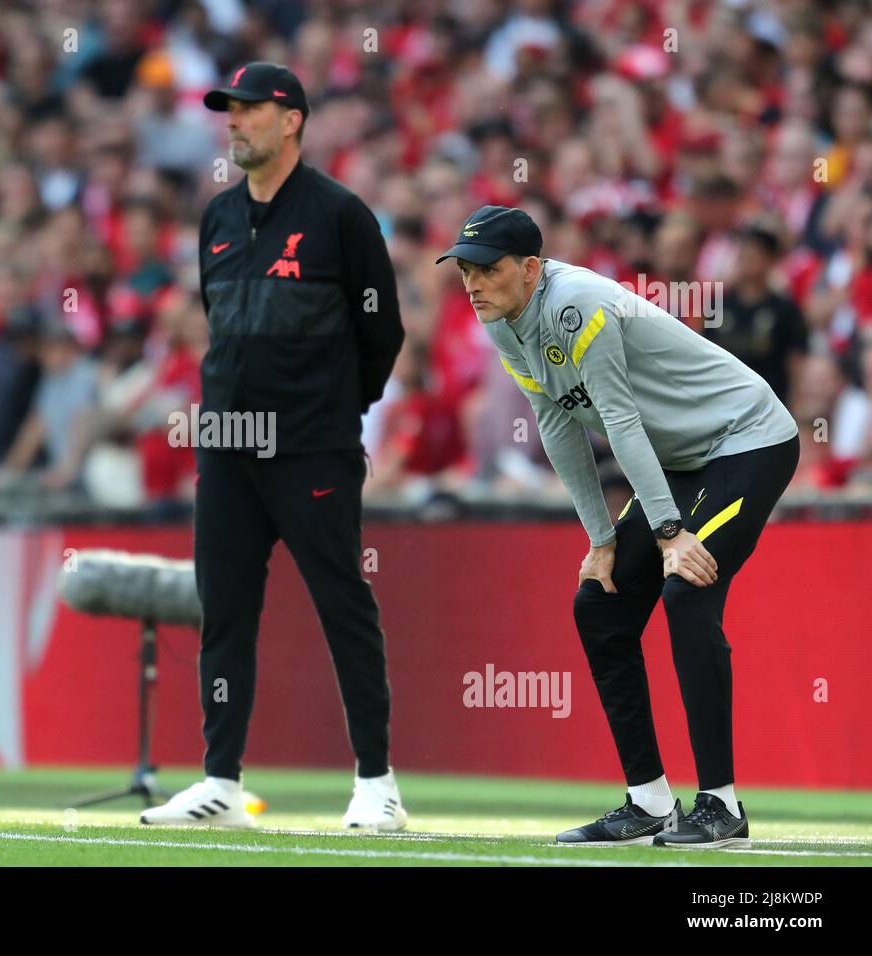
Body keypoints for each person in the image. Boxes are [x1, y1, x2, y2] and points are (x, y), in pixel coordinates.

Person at [438, 205, 798, 849]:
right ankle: (648, 802)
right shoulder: (501, 316)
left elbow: (619, 421)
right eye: (466, 270)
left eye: (487, 270)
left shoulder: (579, 305)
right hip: (684, 460)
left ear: (530, 268)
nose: (473, 284)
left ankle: (721, 807)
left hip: (747, 439)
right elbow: (555, 423)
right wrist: (602, 541)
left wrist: (666, 534)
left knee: (687, 591)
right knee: (599, 605)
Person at [141, 63, 407, 831]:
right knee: (223, 612)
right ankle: (220, 781)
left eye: (249, 110)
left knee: (341, 605)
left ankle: (377, 782)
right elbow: (218, 324)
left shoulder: (339, 216)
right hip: (225, 444)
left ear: (291, 119)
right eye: (229, 110)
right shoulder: (217, 218)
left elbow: (380, 332)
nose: (234, 122)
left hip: (312, 448)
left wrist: (331, 410)